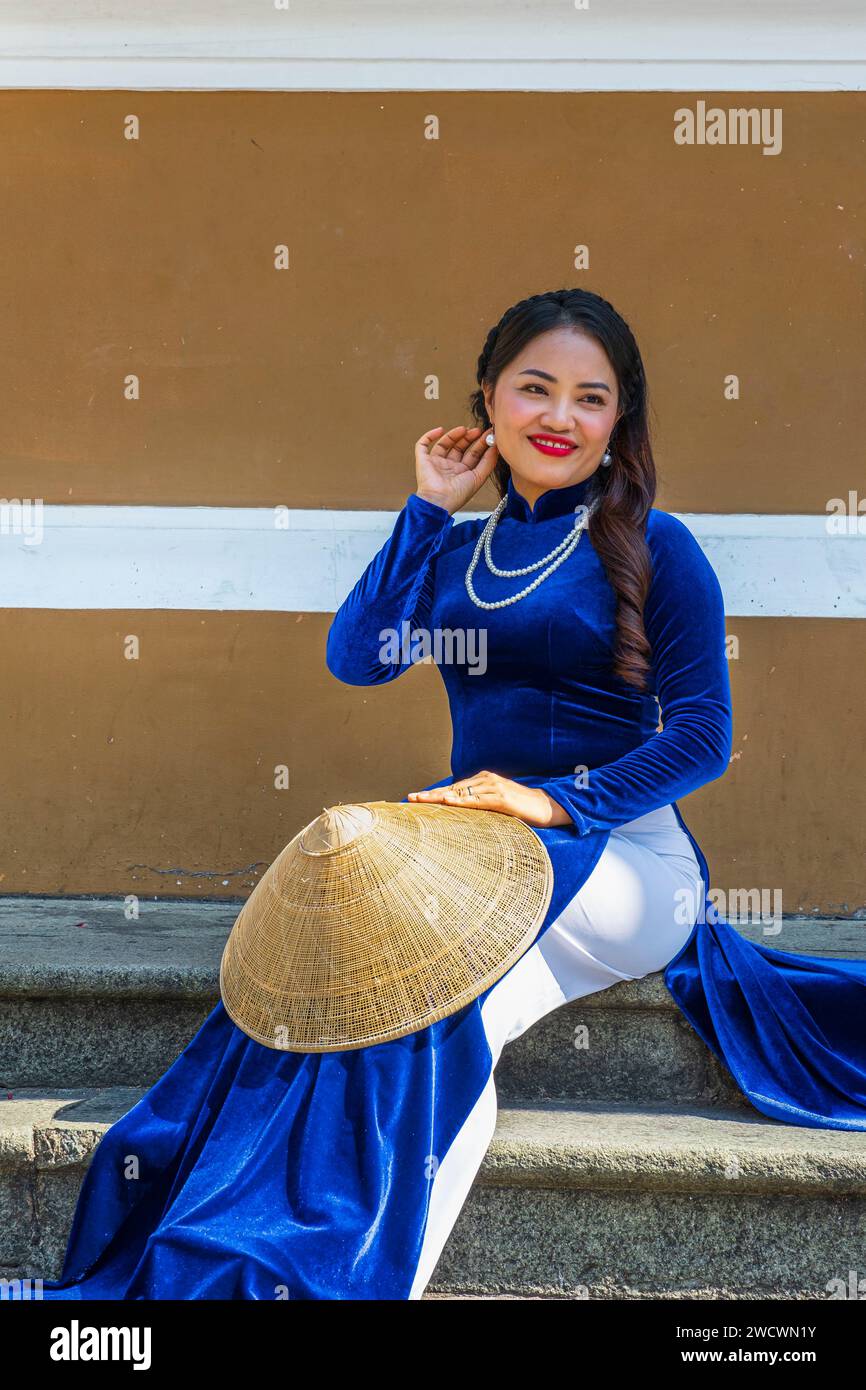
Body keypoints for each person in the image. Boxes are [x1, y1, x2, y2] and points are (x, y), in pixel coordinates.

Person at [35, 287, 866, 1302]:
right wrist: (427, 508)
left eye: (590, 398)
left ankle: (337, 1278)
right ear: (486, 397)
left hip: (620, 854)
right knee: (342, 978)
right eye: (535, 388)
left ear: (619, 420)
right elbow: (359, 656)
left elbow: (701, 738)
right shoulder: (461, 554)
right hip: (471, 844)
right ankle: (225, 1234)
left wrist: (553, 801)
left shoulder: (658, 547)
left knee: (435, 999)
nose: (559, 417)